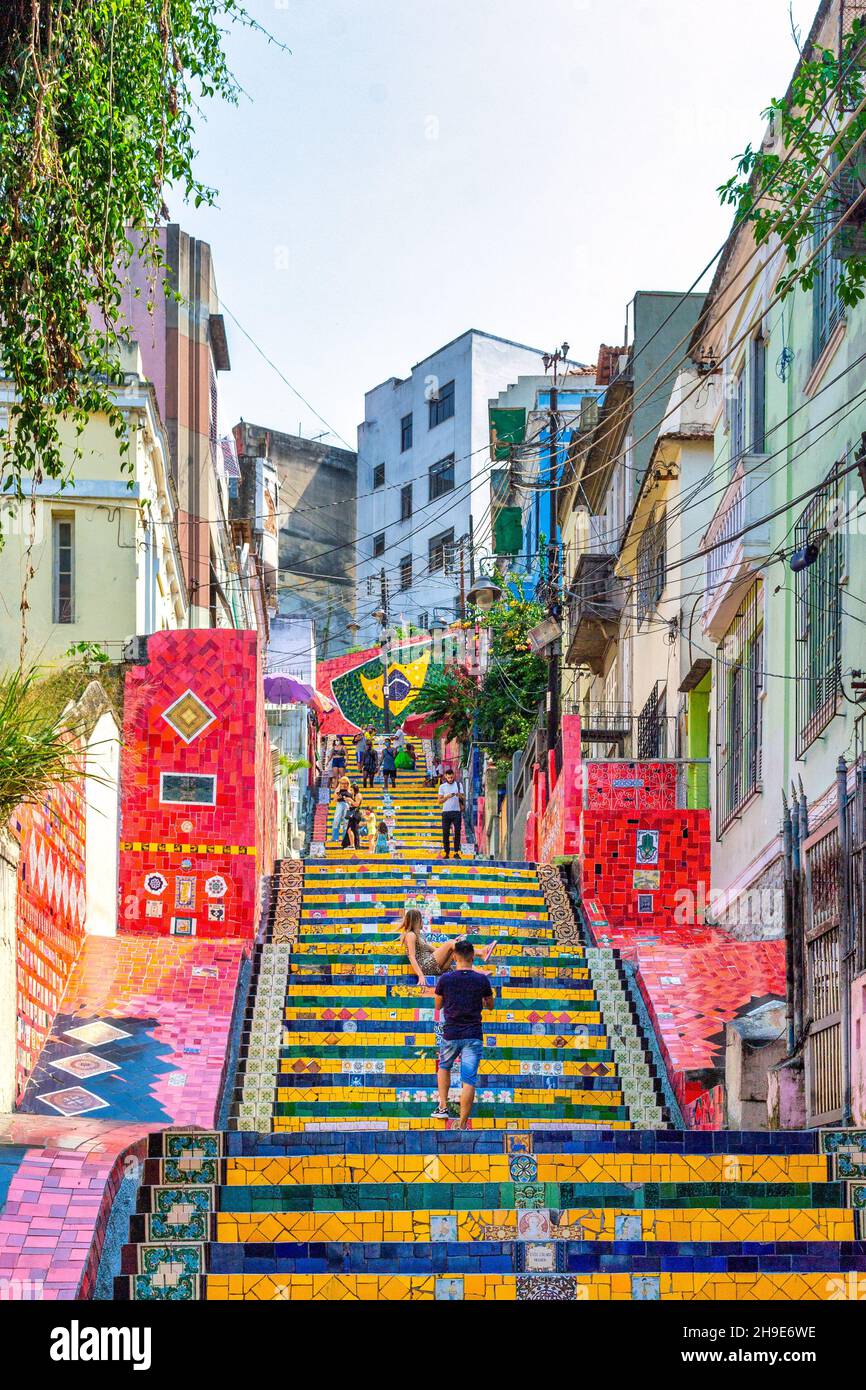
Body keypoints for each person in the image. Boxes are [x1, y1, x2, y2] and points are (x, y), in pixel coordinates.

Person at [432, 940, 495, 1127]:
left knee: (444, 1066)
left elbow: (437, 1006)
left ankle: (442, 1107)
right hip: (473, 1034)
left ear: (454, 956)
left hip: (451, 1034)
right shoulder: (482, 979)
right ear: (472, 957)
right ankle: (462, 1122)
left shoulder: (445, 979)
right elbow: (490, 1006)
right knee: (469, 1080)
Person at [399, 908, 464, 986]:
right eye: (421, 919)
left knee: (453, 948)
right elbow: (411, 956)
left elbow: (436, 950)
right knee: (450, 943)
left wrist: (454, 944)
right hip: (425, 967)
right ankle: (477, 954)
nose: (422, 921)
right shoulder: (410, 935)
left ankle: (470, 969)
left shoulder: (420, 937)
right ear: (416, 921)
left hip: (435, 967)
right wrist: (420, 975)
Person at [438, 766, 463, 859]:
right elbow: (439, 801)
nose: (450, 779)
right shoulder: (442, 787)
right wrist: (447, 797)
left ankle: (456, 852)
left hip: (456, 811)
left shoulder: (458, 785)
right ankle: (446, 852)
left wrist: (458, 795)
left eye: (452, 777)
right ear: (445, 777)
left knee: (457, 831)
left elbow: (463, 797)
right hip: (446, 812)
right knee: (445, 833)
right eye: (448, 778)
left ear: (454, 776)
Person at [341, 783, 363, 850]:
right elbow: (352, 805)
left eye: (351, 790)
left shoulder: (358, 795)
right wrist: (348, 801)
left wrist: (350, 800)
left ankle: (354, 845)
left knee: (352, 830)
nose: (350, 791)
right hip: (352, 813)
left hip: (355, 814)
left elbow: (356, 804)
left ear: (355, 789)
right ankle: (352, 844)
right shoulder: (354, 795)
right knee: (350, 830)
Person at [331, 775, 351, 842]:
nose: (344, 785)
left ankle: (344, 839)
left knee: (346, 822)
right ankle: (334, 838)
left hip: (347, 806)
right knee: (336, 820)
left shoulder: (350, 791)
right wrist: (338, 796)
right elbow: (334, 800)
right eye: (342, 783)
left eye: (346, 783)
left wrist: (348, 800)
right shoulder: (338, 790)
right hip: (339, 805)